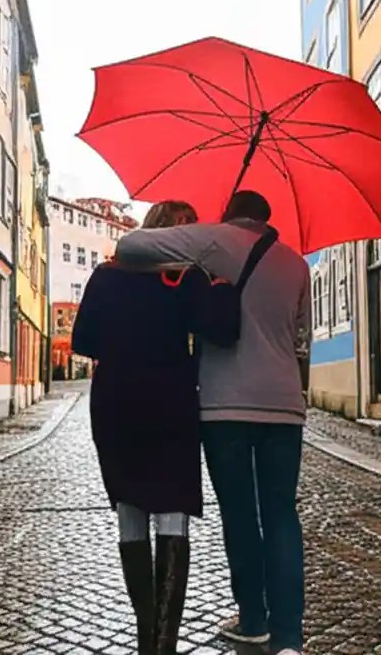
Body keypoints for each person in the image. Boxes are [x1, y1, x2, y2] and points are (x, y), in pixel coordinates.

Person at [114, 191, 312, 655]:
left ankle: (253, 620)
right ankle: (290, 640)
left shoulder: (215, 241)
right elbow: (302, 339)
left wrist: (197, 250)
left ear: (229, 213)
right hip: (285, 406)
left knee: (240, 514)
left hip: (225, 407)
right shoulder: (297, 265)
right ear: (268, 218)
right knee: (283, 515)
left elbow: (130, 248)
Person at [71, 201, 209, 655]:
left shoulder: (107, 275)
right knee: (172, 514)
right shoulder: (187, 279)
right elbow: (214, 326)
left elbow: (84, 340)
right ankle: (163, 643)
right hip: (170, 403)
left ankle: (146, 638)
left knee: (131, 512)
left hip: (116, 403)